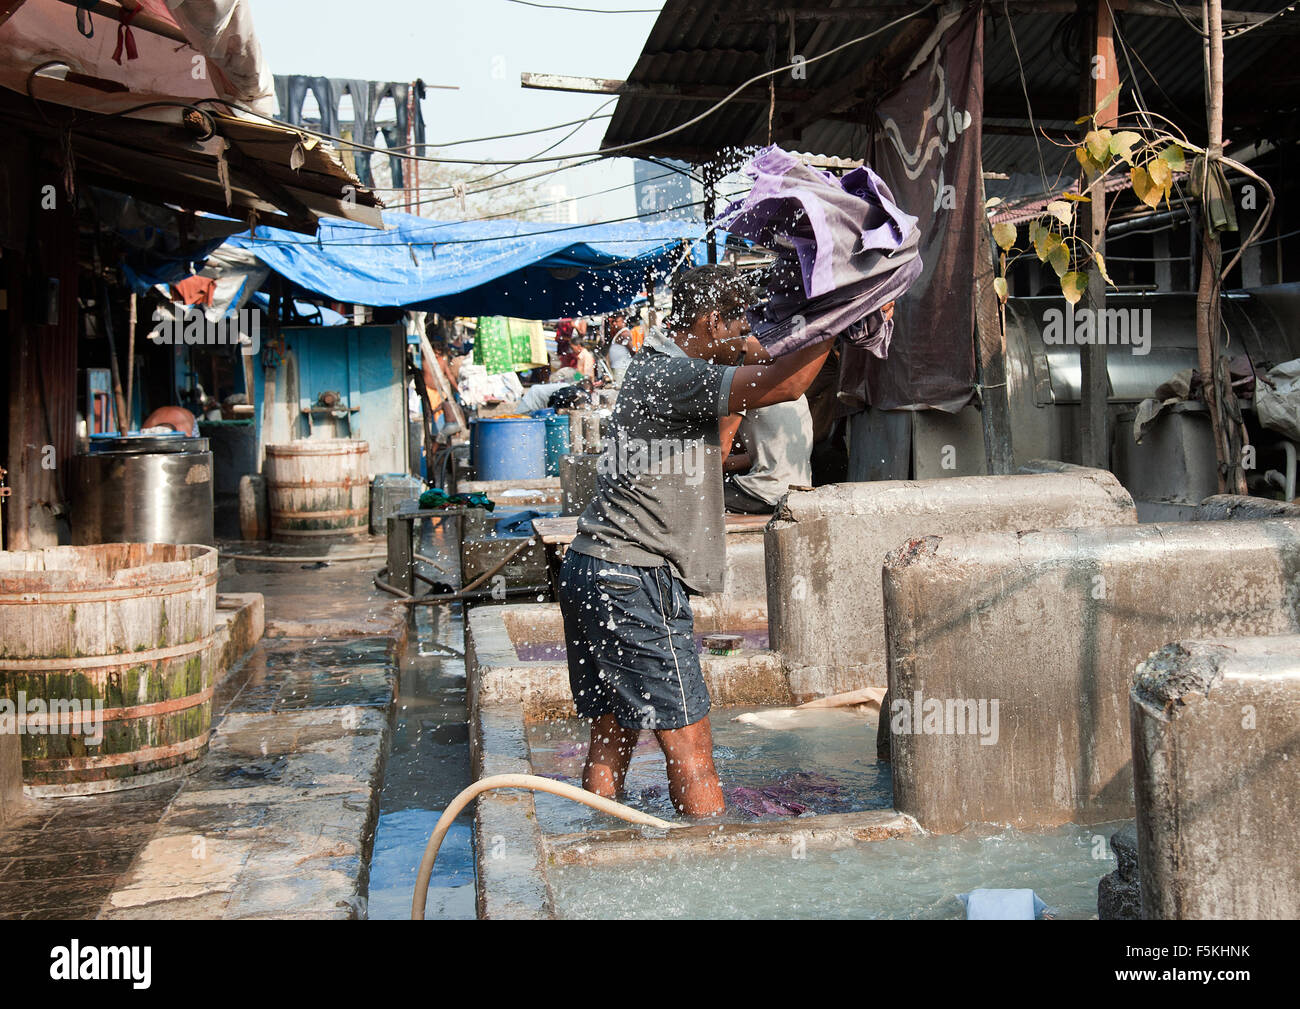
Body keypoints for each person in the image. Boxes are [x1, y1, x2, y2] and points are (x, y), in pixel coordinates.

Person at [557, 265, 835, 817]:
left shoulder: (660, 371)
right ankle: (712, 868)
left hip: (593, 567)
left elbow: (723, 440)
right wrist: (840, 317)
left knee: (612, 741)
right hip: (631, 576)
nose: (751, 334)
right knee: (694, 755)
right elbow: (787, 384)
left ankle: (599, 845)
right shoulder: (669, 374)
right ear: (712, 320)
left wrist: (740, 357)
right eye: (743, 323)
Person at [722, 395, 814, 514]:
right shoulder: (796, 393)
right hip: (797, 495)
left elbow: (721, 449)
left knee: (694, 495)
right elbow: (772, 454)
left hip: (763, 494)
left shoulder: (741, 387)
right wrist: (728, 463)